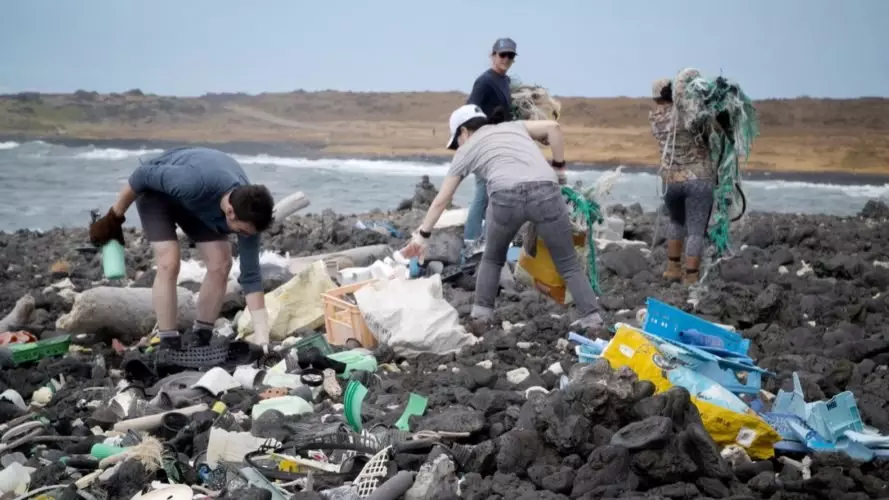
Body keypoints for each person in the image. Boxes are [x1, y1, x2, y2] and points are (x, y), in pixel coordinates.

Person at [401, 104, 604, 330]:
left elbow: (442, 199)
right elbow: (554, 128)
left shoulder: (465, 151)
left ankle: (481, 317)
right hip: (546, 193)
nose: (458, 145)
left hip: (505, 198)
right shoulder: (514, 127)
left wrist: (423, 235)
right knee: (567, 262)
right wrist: (558, 170)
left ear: (464, 132)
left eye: (456, 140)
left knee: (492, 259)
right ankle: (593, 318)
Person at [88, 146, 275, 349]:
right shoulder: (193, 182)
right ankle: (168, 341)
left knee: (221, 262)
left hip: (198, 207)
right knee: (169, 262)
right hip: (157, 196)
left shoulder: (250, 216)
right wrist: (114, 217)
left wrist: (262, 338)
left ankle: (201, 336)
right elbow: (141, 176)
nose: (245, 236)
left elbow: (251, 276)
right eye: (243, 231)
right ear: (230, 212)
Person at [649, 77, 716, 285]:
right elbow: (709, 129)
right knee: (696, 229)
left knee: (676, 221)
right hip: (698, 178)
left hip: (670, 181)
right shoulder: (688, 114)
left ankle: (672, 268)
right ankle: (692, 276)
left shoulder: (654, 117)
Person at [463, 37, 518, 243]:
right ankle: (471, 240)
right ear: (492, 55)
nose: (506, 59)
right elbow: (469, 112)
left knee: (495, 194)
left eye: (510, 55)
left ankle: (487, 239)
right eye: (502, 54)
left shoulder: (505, 81)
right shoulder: (484, 81)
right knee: (483, 194)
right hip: (484, 145)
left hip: (500, 146)